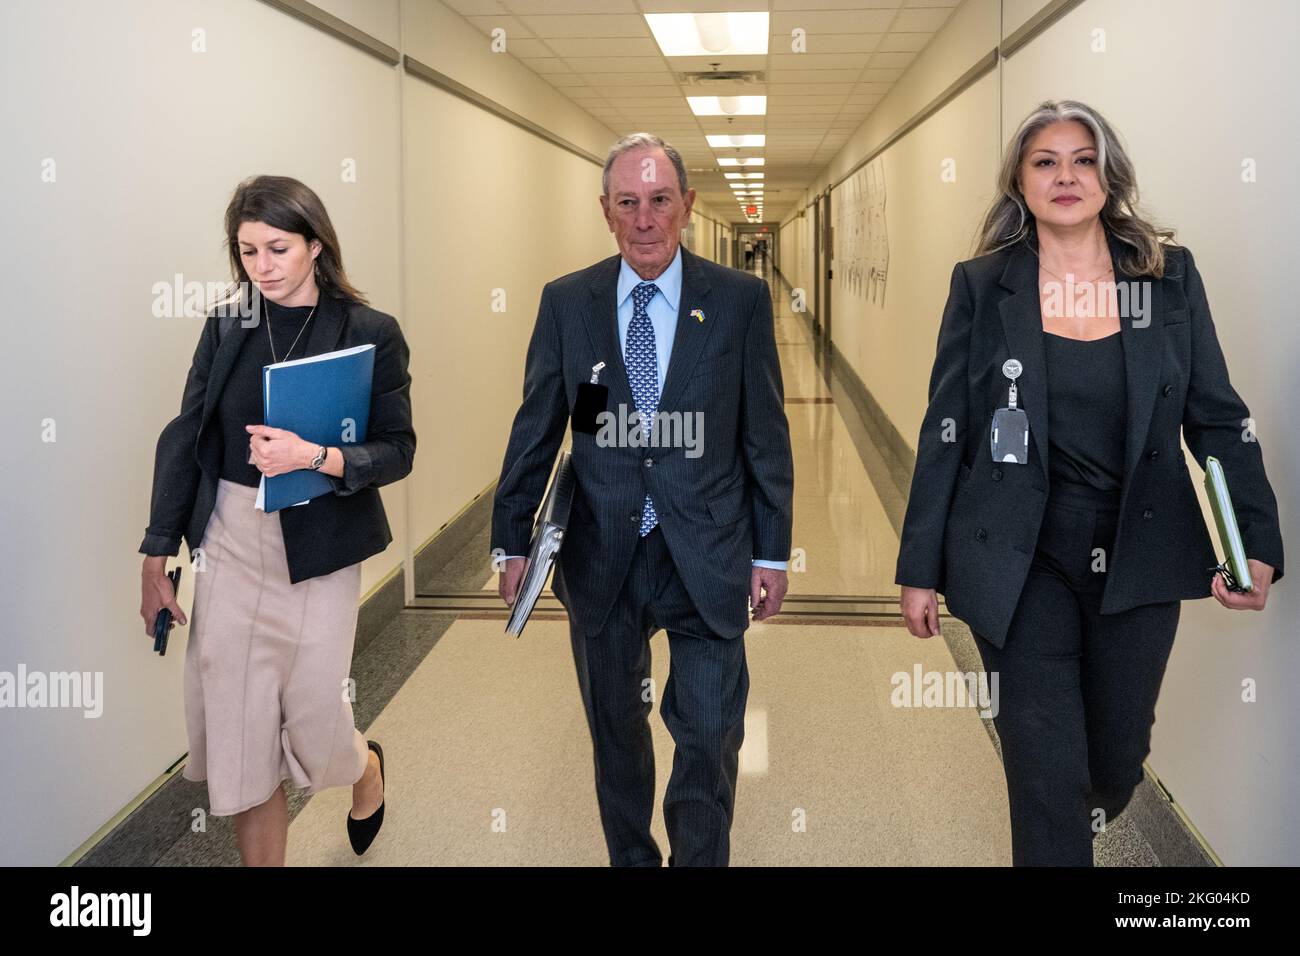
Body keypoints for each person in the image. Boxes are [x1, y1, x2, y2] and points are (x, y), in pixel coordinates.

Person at [895, 100, 1284, 866]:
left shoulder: (1167, 278)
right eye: (1046, 161)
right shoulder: (983, 287)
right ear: (1020, 181)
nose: (1065, 175)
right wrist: (920, 567)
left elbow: (1216, 417)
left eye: (1082, 160)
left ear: (1110, 178)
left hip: (1139, 550)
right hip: (1020, 555)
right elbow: (946, 429)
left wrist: (1256, 542)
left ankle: (1079, 819)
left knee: (1114, 758)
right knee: (1044, 772)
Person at [492, 133, 794, 867]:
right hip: (602, 551)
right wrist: (512, 541)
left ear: (687, 206)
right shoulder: (569, 303)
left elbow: (765, 434)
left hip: (708, 546)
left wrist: (771, 550)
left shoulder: (739, 301)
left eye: (660, 201)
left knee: (710, 730)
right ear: (606, 211)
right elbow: (537, 428)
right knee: (616, 733)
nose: (645, 219)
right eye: (628, 203)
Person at [138, 175, 415, 865]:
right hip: (231, 541)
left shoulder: (369, 332)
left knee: (316, 717)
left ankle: (363, 765)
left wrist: (315, 456)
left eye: (278, 248)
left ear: (316, 245)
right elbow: (187, 438)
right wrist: (155, 554)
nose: (263, 267)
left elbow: (397, 449)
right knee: (240, 730)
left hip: (320, 544)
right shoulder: (228, 326)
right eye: (248, 251)